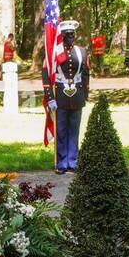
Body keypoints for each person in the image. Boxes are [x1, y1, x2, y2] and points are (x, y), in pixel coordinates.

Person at [42, 18, 89, 174]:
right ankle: (61, 162)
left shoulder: (82, 51)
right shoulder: (54, 52)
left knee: (74, 129)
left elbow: (85, 74)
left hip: (77, 94)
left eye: (72, 34)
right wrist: (50, 97)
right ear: (61, 35)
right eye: (67, 34)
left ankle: (73, 161)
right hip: (60, 94)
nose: (71, 37)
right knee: (61, 130)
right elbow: (46, 75)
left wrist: (85, 94)